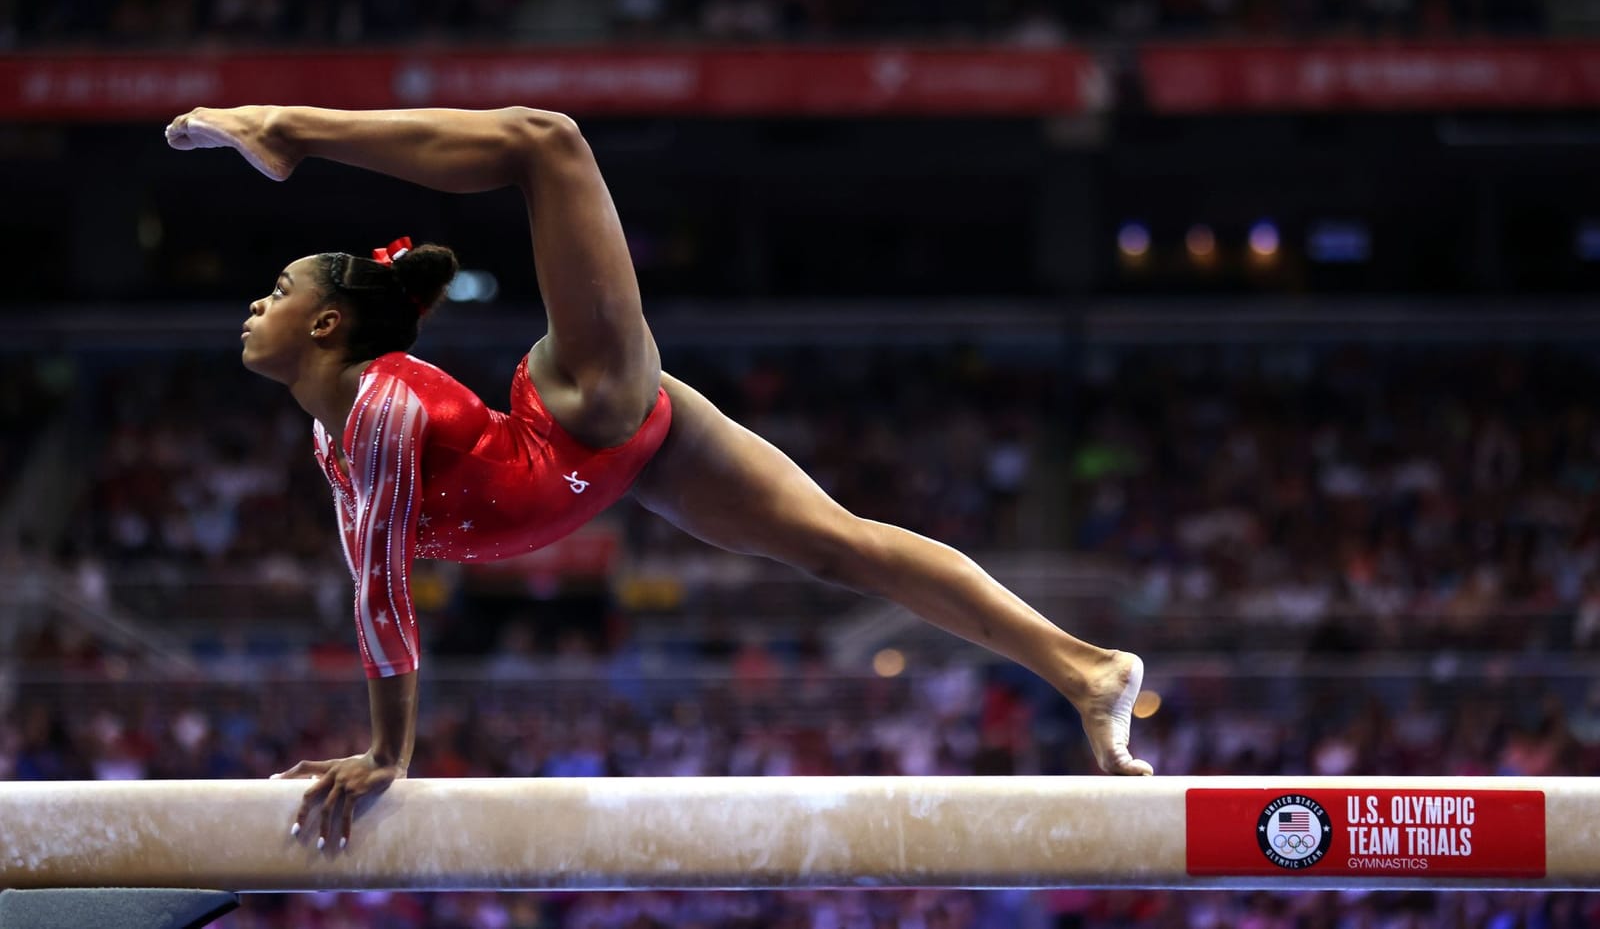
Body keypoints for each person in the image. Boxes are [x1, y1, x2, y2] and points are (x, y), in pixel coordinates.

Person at [164, 105, 1152, 850]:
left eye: (277, 289)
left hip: (588, 409)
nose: (255, 304)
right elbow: (376, 578)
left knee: (546, 142)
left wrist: (389, 751)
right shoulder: (329, 436)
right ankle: (1087, 668)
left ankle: (288, 128)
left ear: (329, 323)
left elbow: (380, 589)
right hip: (603, 468)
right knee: (838, 547)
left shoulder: (376, 406)